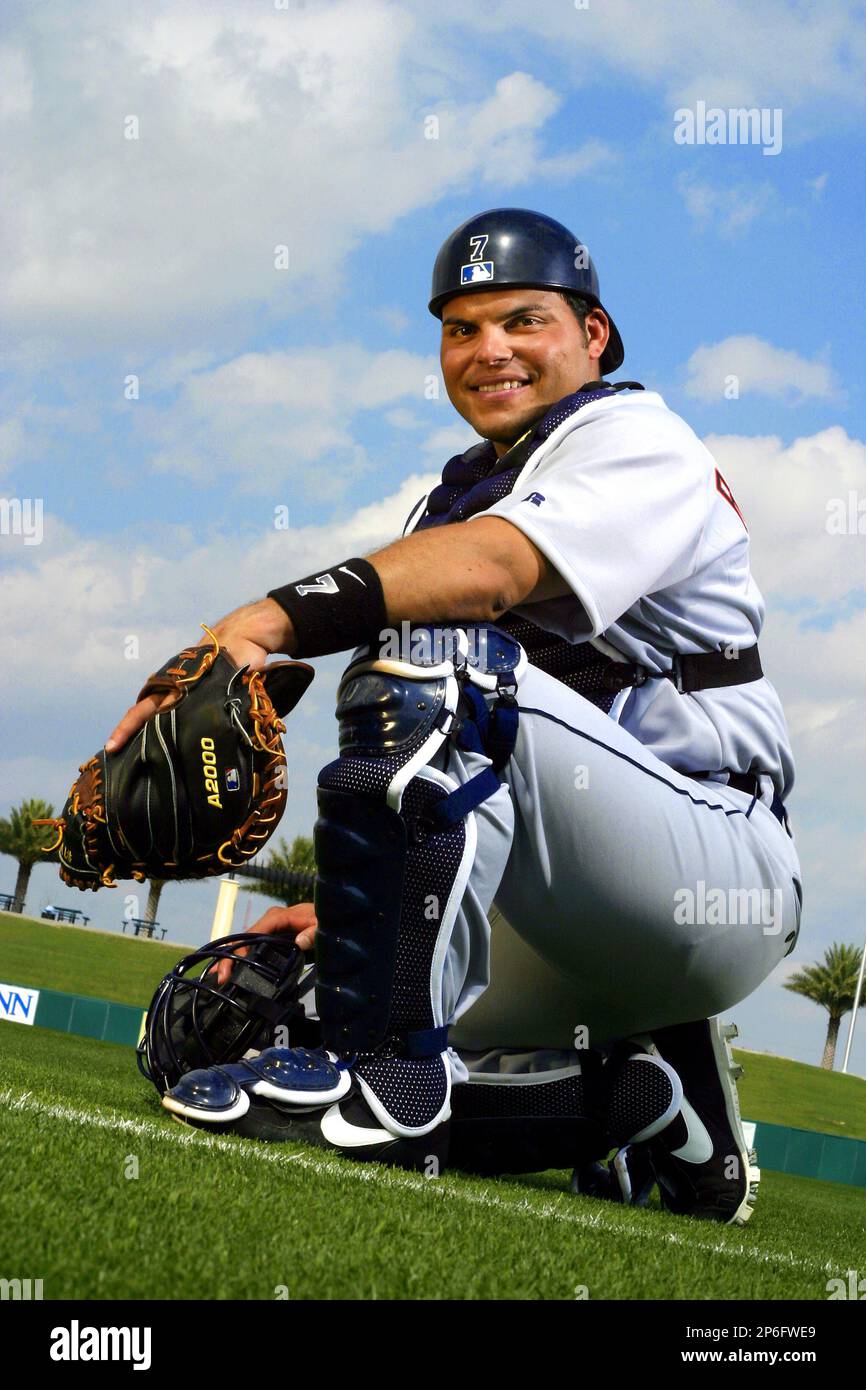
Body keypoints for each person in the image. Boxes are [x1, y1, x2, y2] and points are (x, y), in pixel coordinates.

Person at [108, 209, 803, 1223]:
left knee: (437, 653)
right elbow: (416, 767)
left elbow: (489, 577)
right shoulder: (447, 504)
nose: (490, 351)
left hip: (704, 871)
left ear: (591, 335)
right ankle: (646, 1101)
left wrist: (260, 622)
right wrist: (351, 913)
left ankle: (382, 1073)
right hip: (554, 909)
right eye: (460, 329)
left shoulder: (632, 436)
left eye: (522, 321)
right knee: (224, 1027)